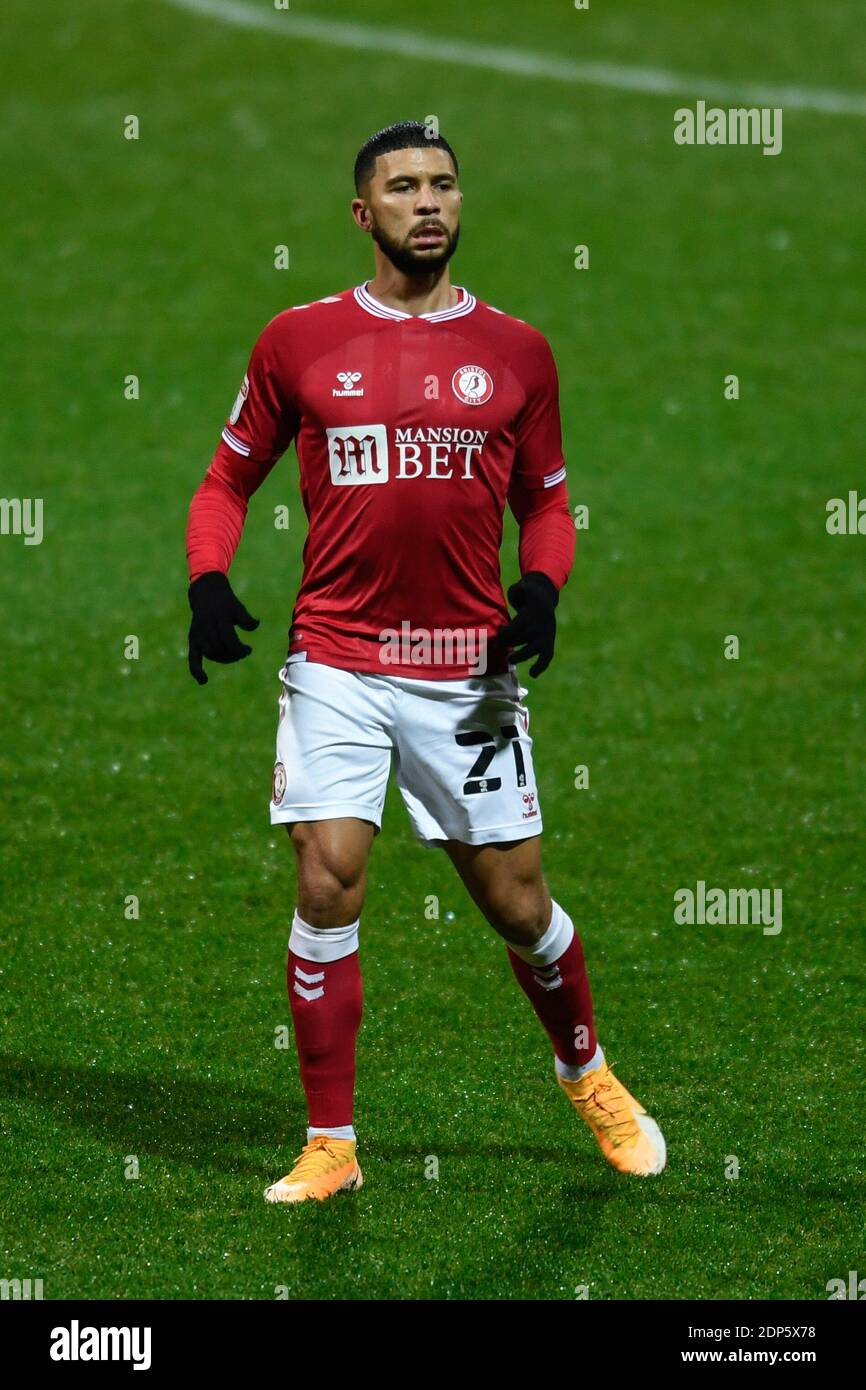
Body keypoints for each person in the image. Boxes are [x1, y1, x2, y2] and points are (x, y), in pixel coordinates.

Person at [185, 121, 665, 1203]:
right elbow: (225, 482)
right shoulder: (297, 341)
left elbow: (546, 502)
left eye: (443, 184)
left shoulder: (516, 350)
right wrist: (208, 577)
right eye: (403, 187)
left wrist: (540, 587)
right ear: (364, 213)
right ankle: (331, 1143)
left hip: (464, 670)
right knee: (325, 879)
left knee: (518, 905)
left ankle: (583, 1069)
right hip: (337, 660)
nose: (428, 202)